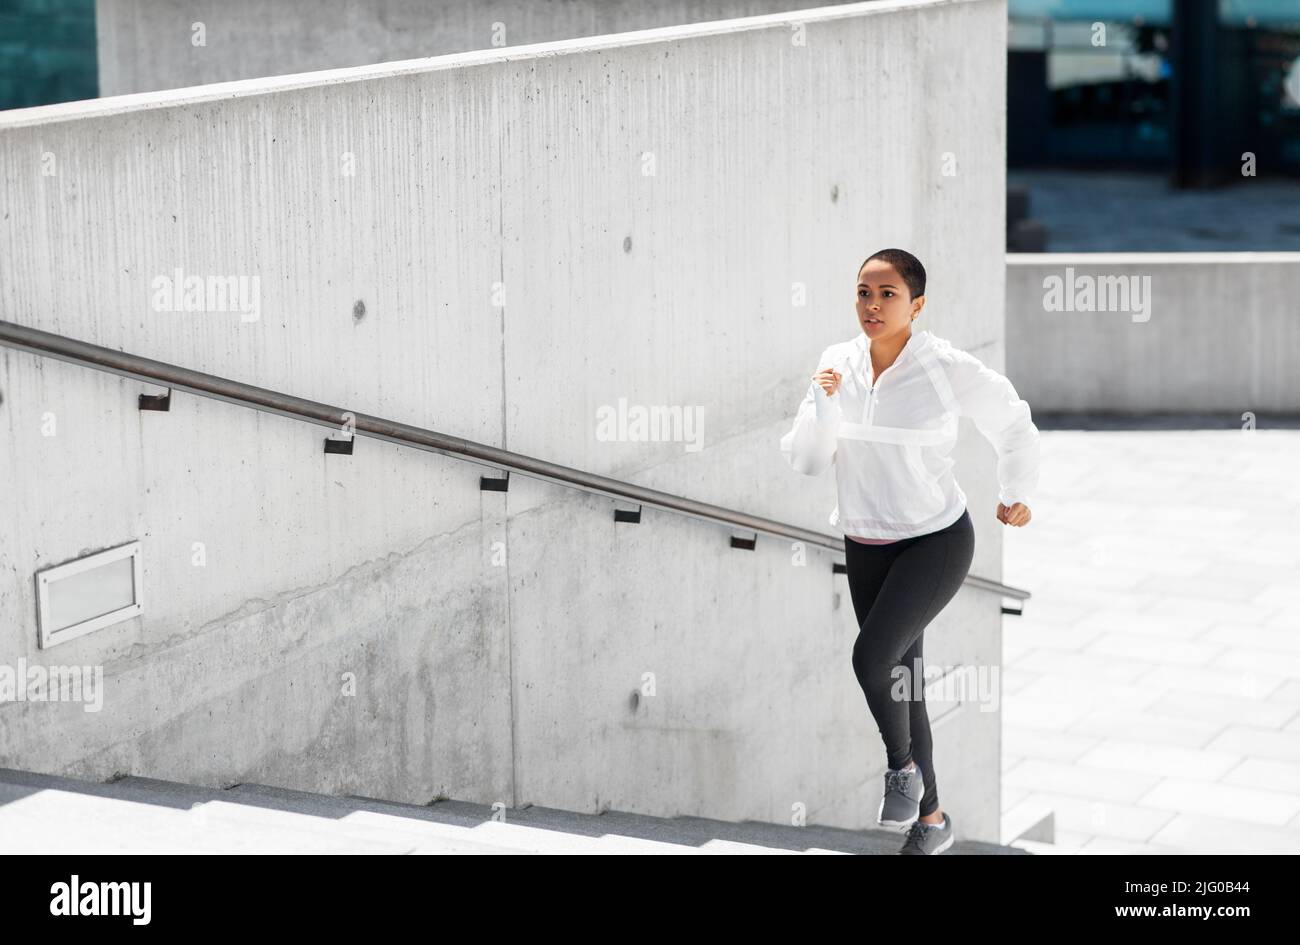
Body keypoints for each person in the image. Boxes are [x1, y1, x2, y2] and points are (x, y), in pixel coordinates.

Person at [779, 248, 1040, 855]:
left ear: (916, 305)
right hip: (865, 542)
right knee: (904, 683)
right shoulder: (836, 364)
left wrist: (1016, 492)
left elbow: (1013, 422)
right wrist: (820, 406)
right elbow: (809, 460)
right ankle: (932, 822)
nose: (872, 305)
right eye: (863, 293)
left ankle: (901, 771)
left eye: (888, 294)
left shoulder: (944, 367)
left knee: (872, 659)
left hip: (935, 542)